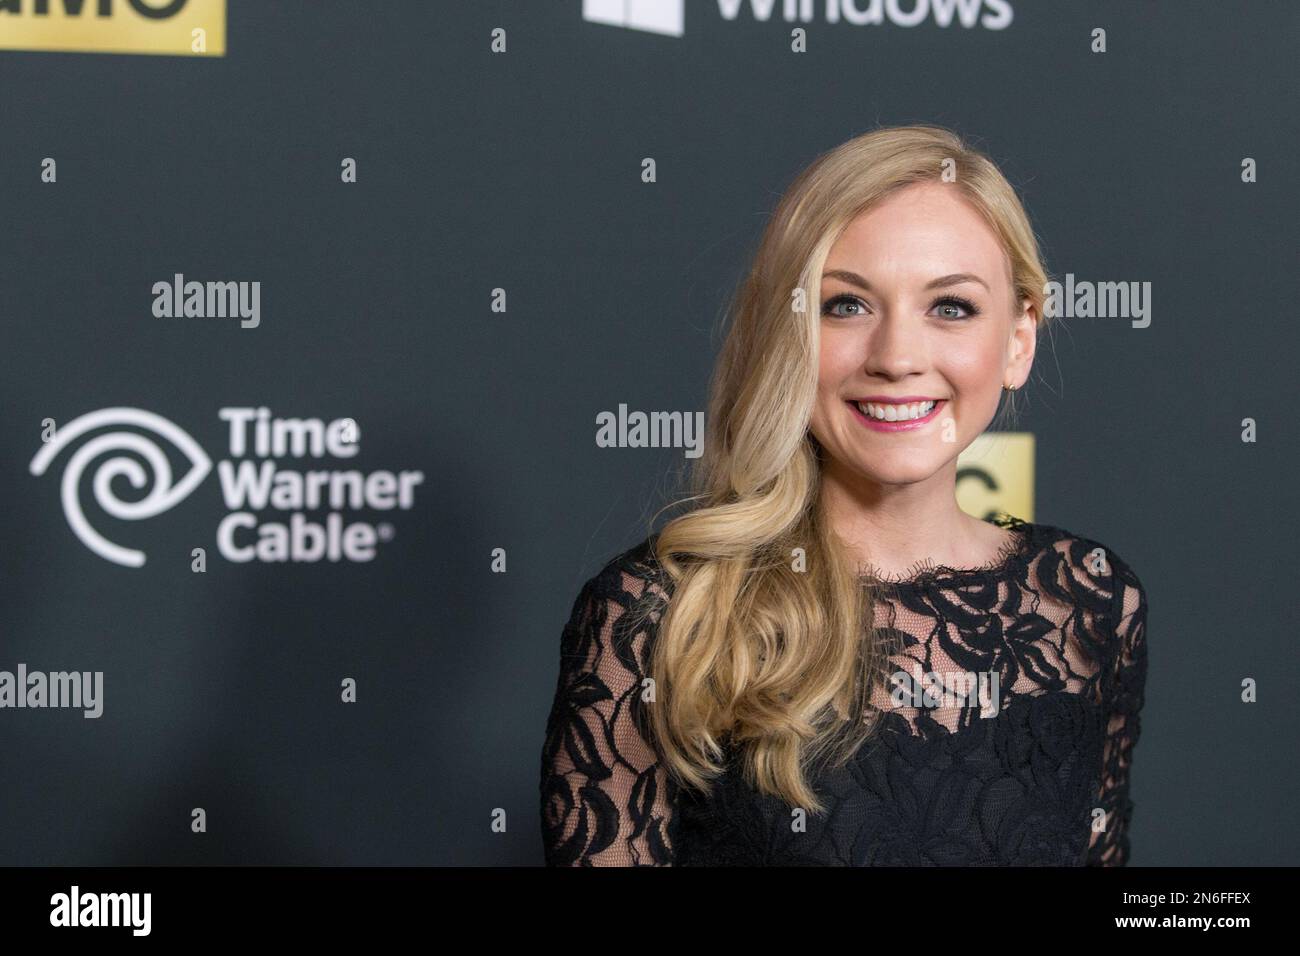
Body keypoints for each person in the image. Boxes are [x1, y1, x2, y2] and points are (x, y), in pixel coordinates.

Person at [539, 125, 1149, 866]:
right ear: (787, 332)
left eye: (950, 307)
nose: (896, 357)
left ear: (1019, 339)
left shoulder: (1087, 602)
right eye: (846, 306)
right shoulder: (663, 615)